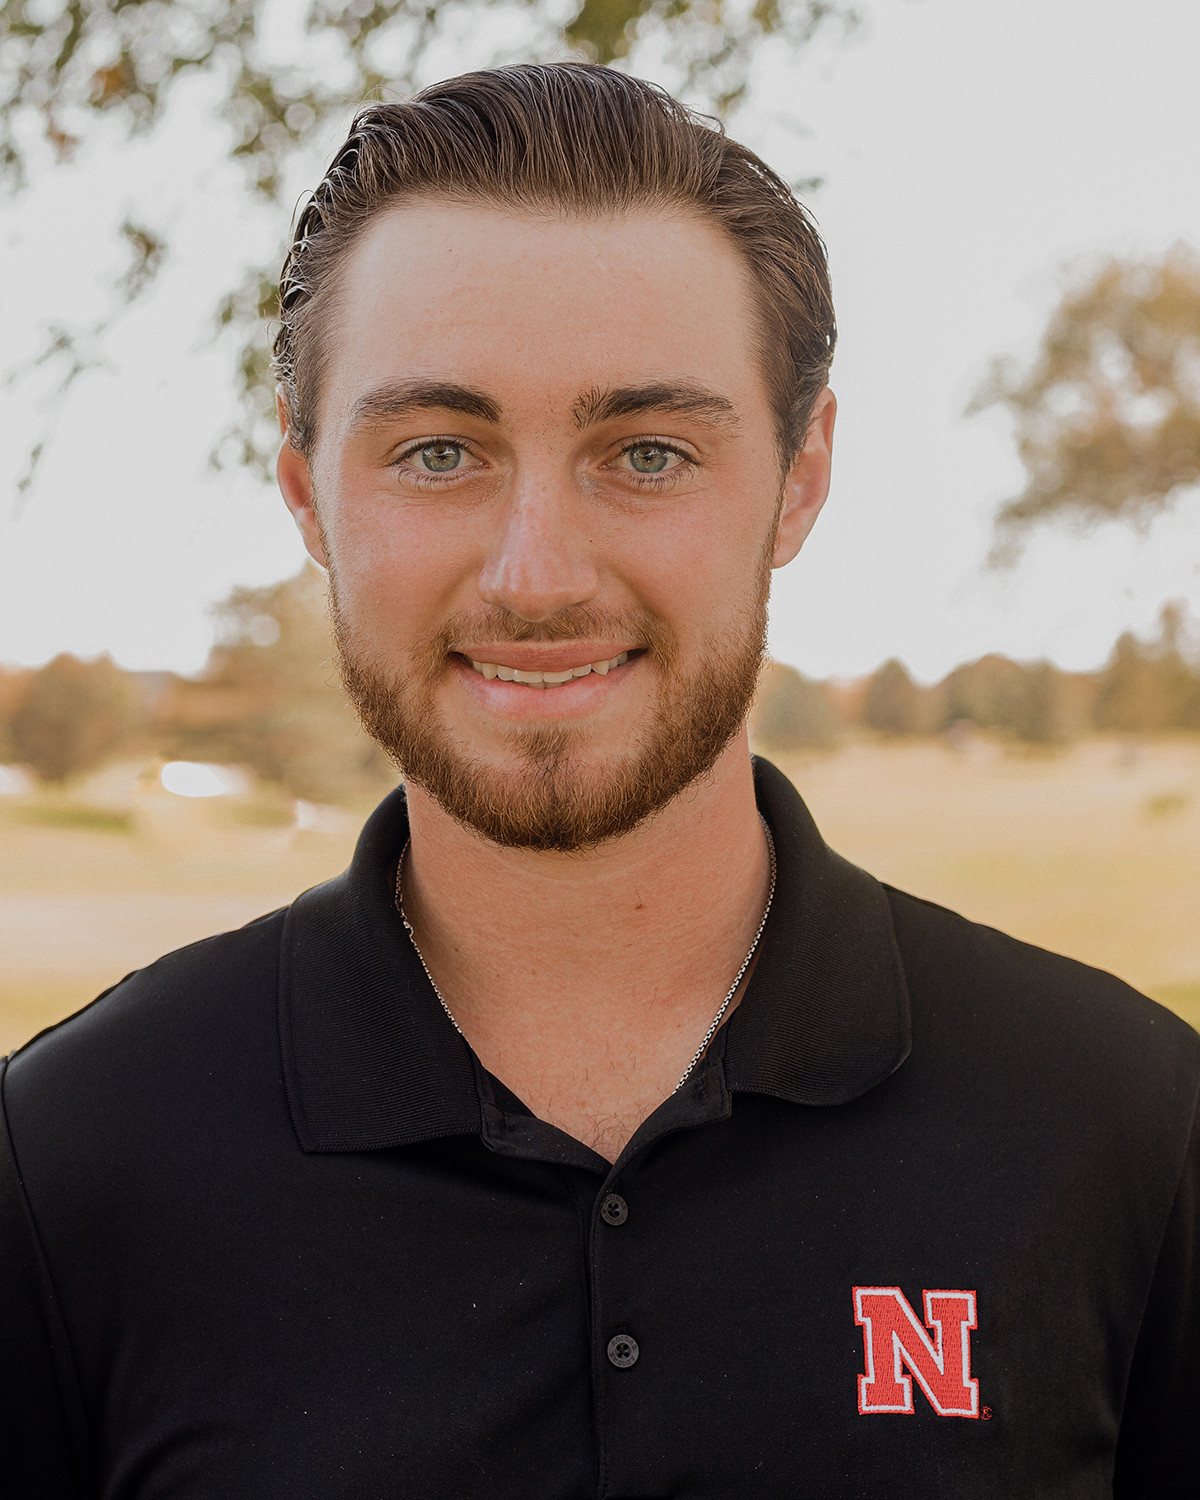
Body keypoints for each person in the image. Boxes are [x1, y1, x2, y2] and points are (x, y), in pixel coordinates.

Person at [2, 63, 1197, 1499]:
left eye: (647, 451)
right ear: (310, 494)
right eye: (438, 451)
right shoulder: (62, 1163)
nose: (537, 575)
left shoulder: (1130, 1126)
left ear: (799, 478)